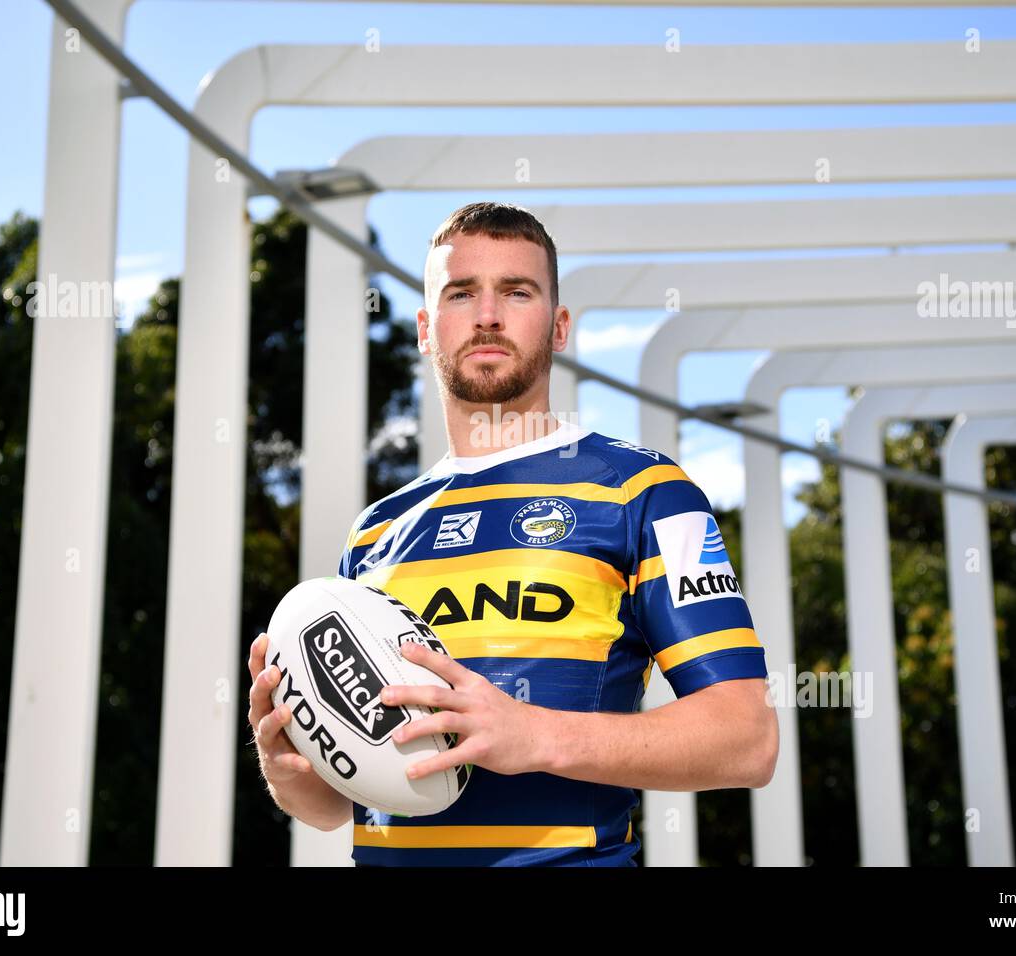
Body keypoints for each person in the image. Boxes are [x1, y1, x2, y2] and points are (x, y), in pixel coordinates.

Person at [247, 201, 777, 866]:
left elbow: (745, 737)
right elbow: (343, 807)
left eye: (516, 291)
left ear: (558, 327)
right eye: (461, 293)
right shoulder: (375, 530)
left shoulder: (645, 492)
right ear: (424, 327)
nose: (488, 315)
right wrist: (292, 770)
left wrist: (535, 735)